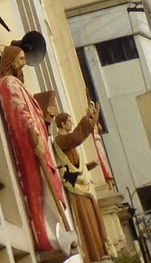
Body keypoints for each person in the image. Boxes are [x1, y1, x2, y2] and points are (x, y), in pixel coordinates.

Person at [0, 40, 77, 261]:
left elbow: (30, 113)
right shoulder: (8, 83)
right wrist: (33, 131)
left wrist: (44, 119)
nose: (24, 63)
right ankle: (46, 236)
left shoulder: (17, 83)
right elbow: (20, 111)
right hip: (30, 145)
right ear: (11, 61)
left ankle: (56, 234)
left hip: (39, 142)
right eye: (21, 59)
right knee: (38, 189)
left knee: (49, 189)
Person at [45, 95, 108, 263]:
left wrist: (87, 167)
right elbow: (75, 138)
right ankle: (92, 254)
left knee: (94, 221)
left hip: (81, 186)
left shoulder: (66, 140)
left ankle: (100, 251)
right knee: (87, 223)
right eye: (69, 121)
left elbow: (73, 164)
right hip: (75, 189)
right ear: (63, 123)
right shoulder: (61, 140)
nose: (71, 124)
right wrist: (88, 120)